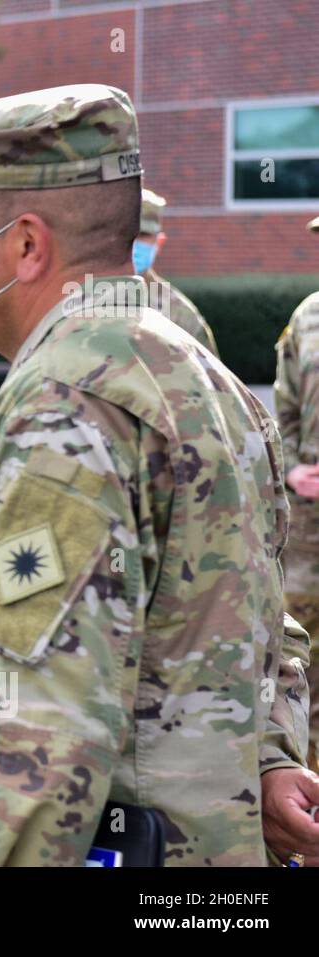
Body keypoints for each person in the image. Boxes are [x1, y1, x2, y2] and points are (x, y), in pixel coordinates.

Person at [0, 84, 317, 866]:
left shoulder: (63, 404)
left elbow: (39, 733)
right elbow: (260, 625)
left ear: (26, 245)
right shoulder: (199, 375)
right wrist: (270, 755)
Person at [272, 213, 319, 774]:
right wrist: (289, 472)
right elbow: (281, 409)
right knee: (299, 666)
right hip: (306, 531)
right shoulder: (306, 319)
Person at [133, 187, 219, 356]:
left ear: (159, 241)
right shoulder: (82, 296)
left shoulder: (180, 313)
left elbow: (209, 378)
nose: (133, 243)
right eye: (127, 234)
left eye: (143, 235)